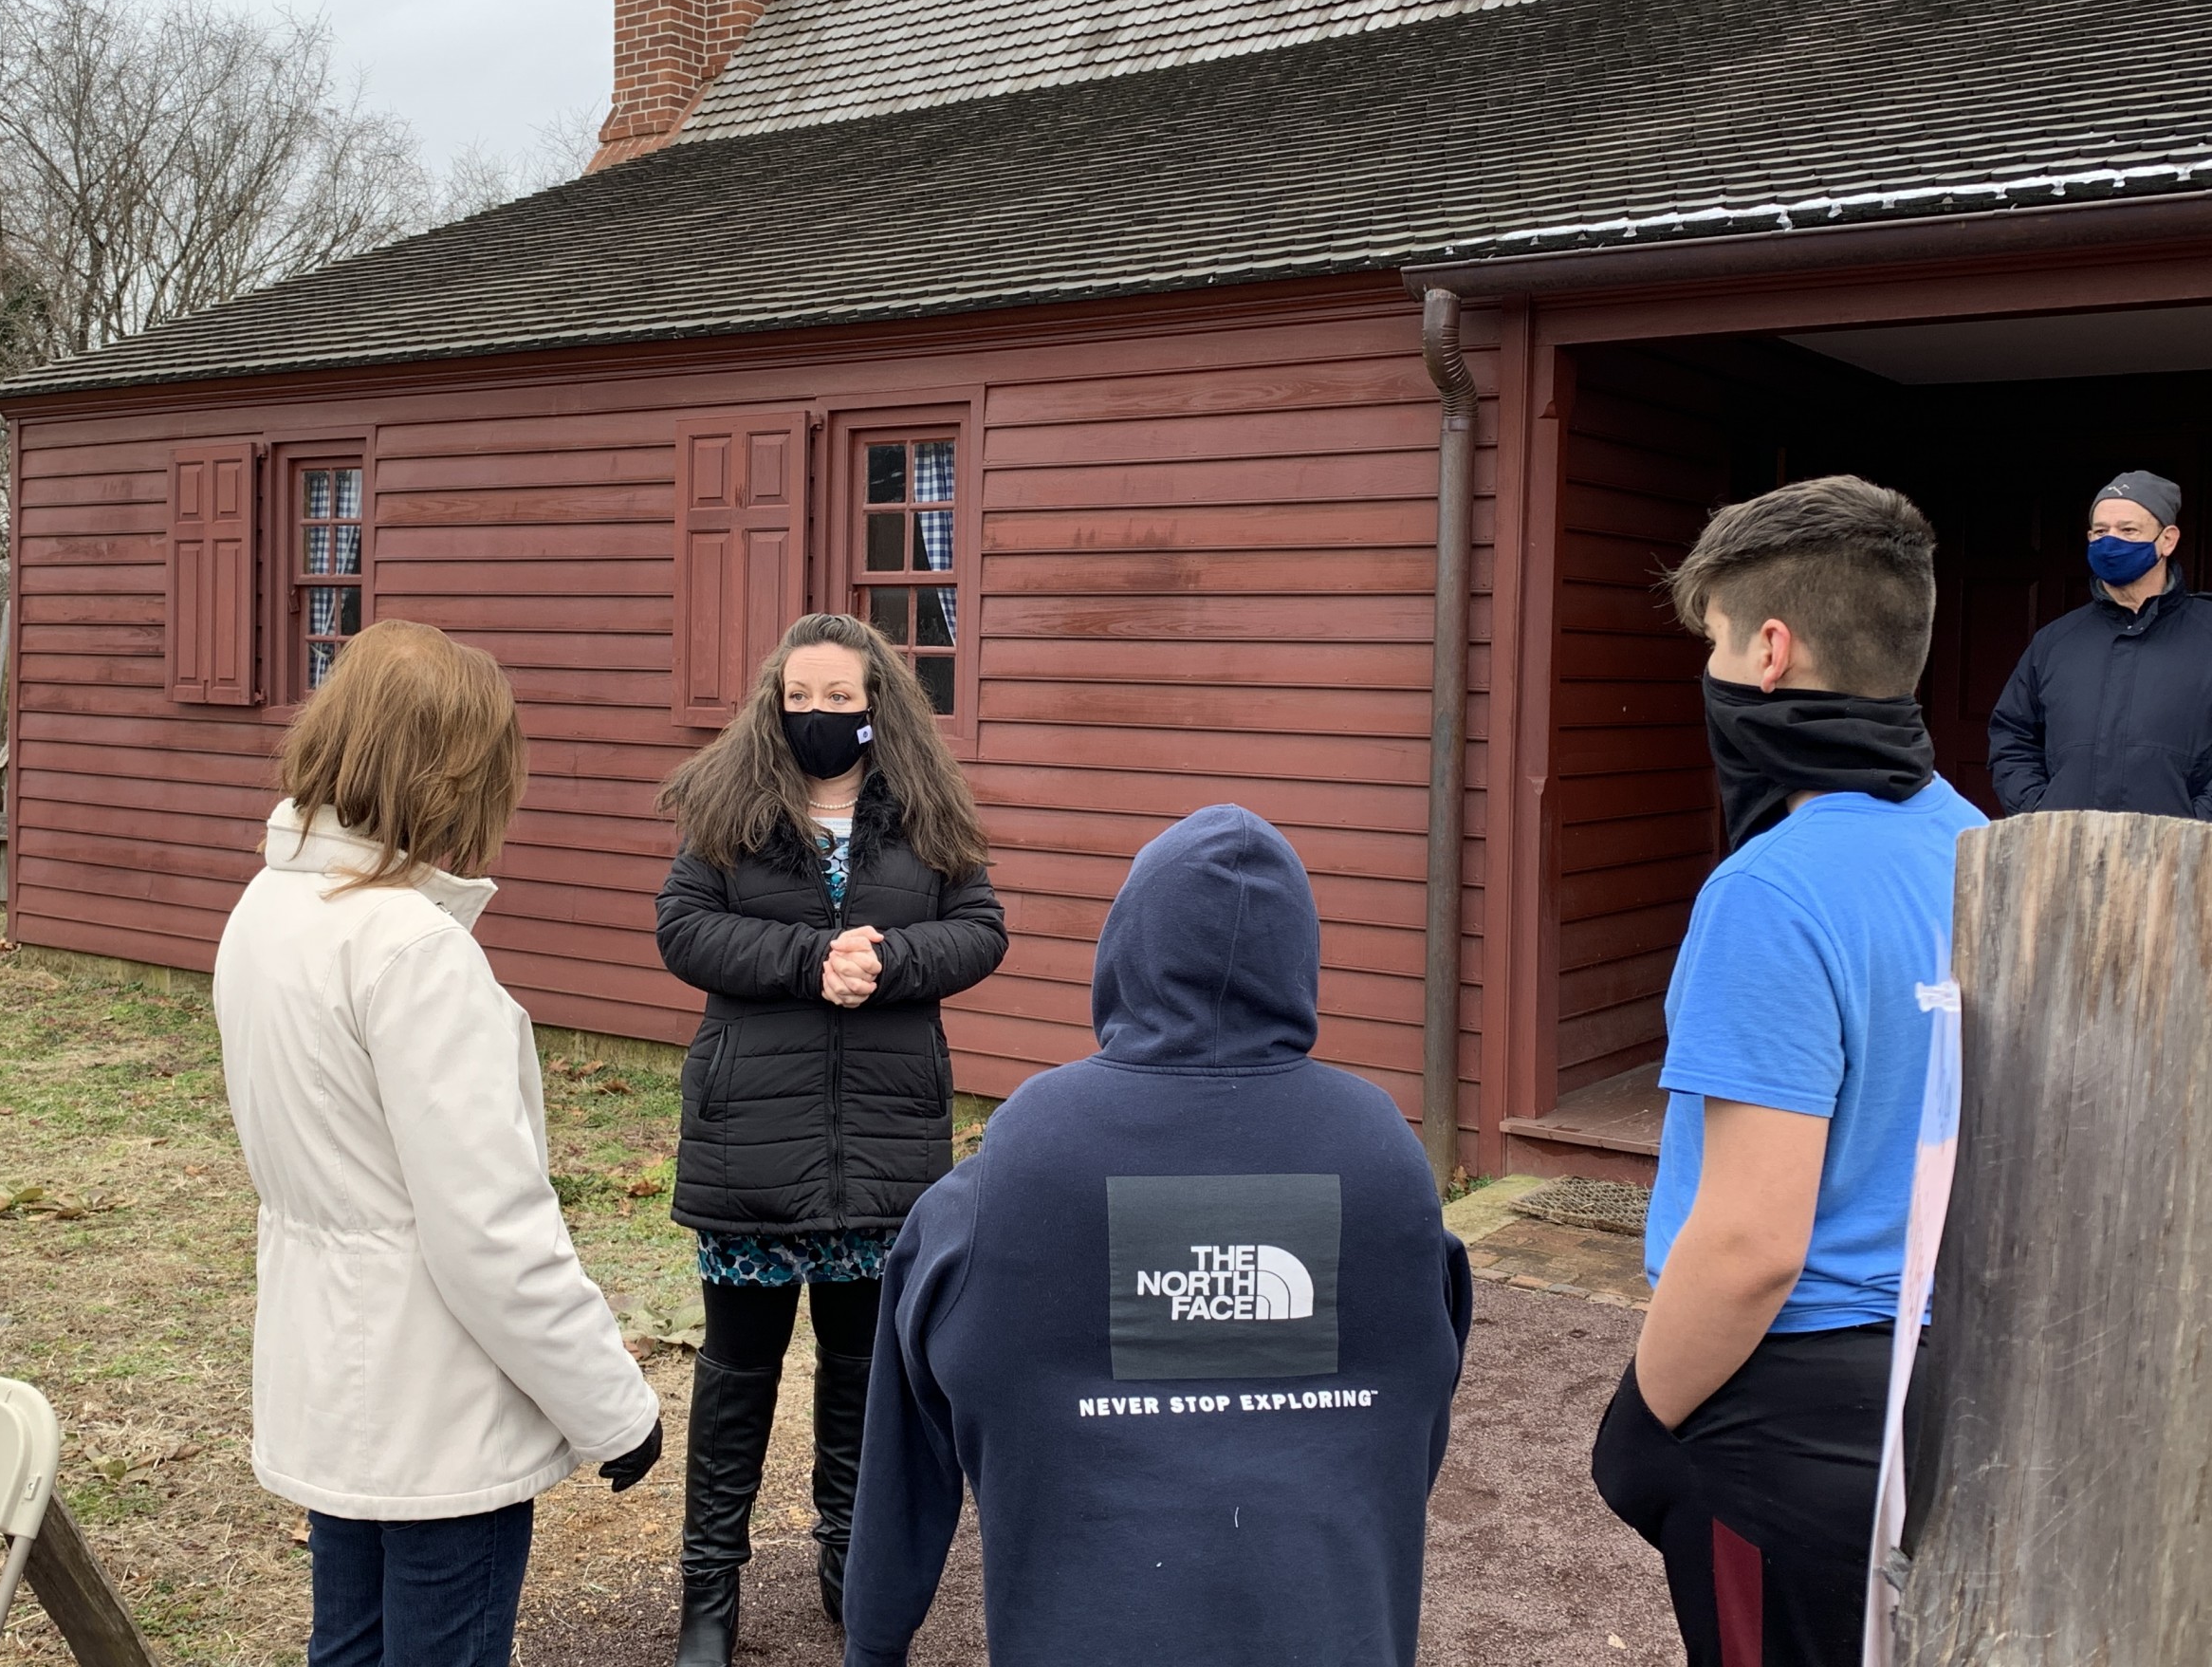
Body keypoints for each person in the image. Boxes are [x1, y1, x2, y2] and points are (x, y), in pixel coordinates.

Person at [840, 805, 1472, 1667]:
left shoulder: (1025, 1160)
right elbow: (1412, 1418)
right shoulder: (1383, 1158)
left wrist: (875, 1640)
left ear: (1127, 946)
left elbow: (905, 1424)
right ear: (1300, 956)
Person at [212, 620, 662, 1667]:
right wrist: (612, 1407)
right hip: (437, 1401)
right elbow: (490, 1229)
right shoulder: (413, 948)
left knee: (351, 1647)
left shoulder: (270, 909)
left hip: (326, 1370)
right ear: (451, 772)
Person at [1590, 476, 1985, 1665]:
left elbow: (1756, 1240)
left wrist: (1645, 1418)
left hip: (1784, 1406)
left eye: (1708, 640)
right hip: (1941, 1375)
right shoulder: (1984, 844)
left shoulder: (1766, 891)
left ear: (1768, 651)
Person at [654, 612, 1007, 1667]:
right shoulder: (726, 809)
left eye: (838, 702)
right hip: (751, 1143)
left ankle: (849, 1567)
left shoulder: (928, 815)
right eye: (798, 700)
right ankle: (708, 1596)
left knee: (861, 1374)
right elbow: (683, 927)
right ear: (773, 703)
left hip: (884, 1146)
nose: (816, 717)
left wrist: (886, 961)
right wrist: (811, 959)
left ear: (876, 707)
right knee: (737, 1377)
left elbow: (981, 925)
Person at [1989, 468, 2212, 817]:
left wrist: (2196, 826)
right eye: (2100, 531)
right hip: (2065, 858)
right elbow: (2012, 739)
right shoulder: (2056, 641)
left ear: (2167, 540)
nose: (2111, 542)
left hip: (2182, 862)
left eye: (2128, 530)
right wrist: (2042, 811)